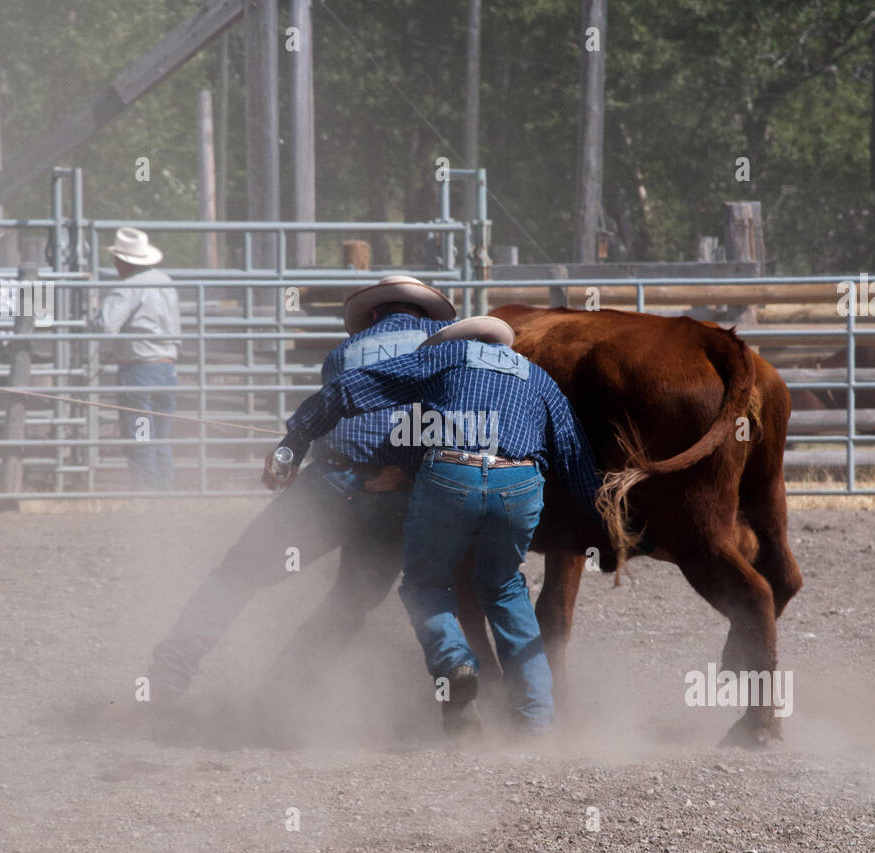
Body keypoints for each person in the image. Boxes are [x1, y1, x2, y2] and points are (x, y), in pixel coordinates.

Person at [270, 315, 604, 737]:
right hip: (518, 480)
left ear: (456, 341)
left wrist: (295, 440)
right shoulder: (536, 376)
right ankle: (536, 721)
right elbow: (574, 454)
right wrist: (609, 521)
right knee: (503, 588)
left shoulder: (449, 356)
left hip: (452, 473)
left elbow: (350, 389)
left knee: (425, 583)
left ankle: (454, 661)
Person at [147, 275, 455, 706]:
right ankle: (281, 698)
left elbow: (329, 410)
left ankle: (168, 675)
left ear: (372, 314)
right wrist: (408, 470)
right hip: (400, 496)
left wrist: (290, 449)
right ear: (426, 314)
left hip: (333, 484)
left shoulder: (344, 353)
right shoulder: (447, 352)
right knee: (351, 602)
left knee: (239, 573)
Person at [92, 227, 181, 491]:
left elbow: (106, 325)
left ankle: (149, 496)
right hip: (167, 371)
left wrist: (92, 318)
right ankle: (166, 494)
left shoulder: (129, 288)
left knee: (142, 437)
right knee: (160, 438)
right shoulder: (166, 282)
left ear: (122, 260)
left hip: (140, 373)